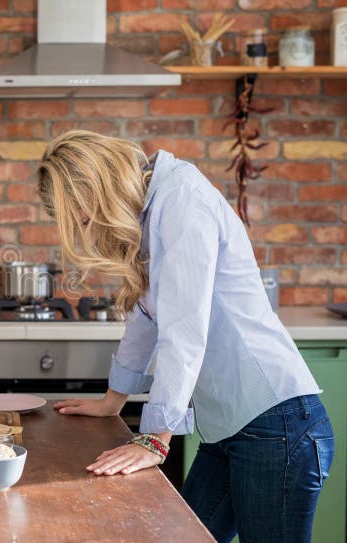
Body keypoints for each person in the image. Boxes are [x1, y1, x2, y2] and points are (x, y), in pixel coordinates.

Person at [37, 130, 334, 543]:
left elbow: (184, 327)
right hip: (233, 429)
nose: (90, 228)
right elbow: (147, 316)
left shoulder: (181, 200)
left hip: (277, 427)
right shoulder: (153, 208)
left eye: (85, 217)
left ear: (97, 187)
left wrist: (155, 440)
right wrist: (112, 401)